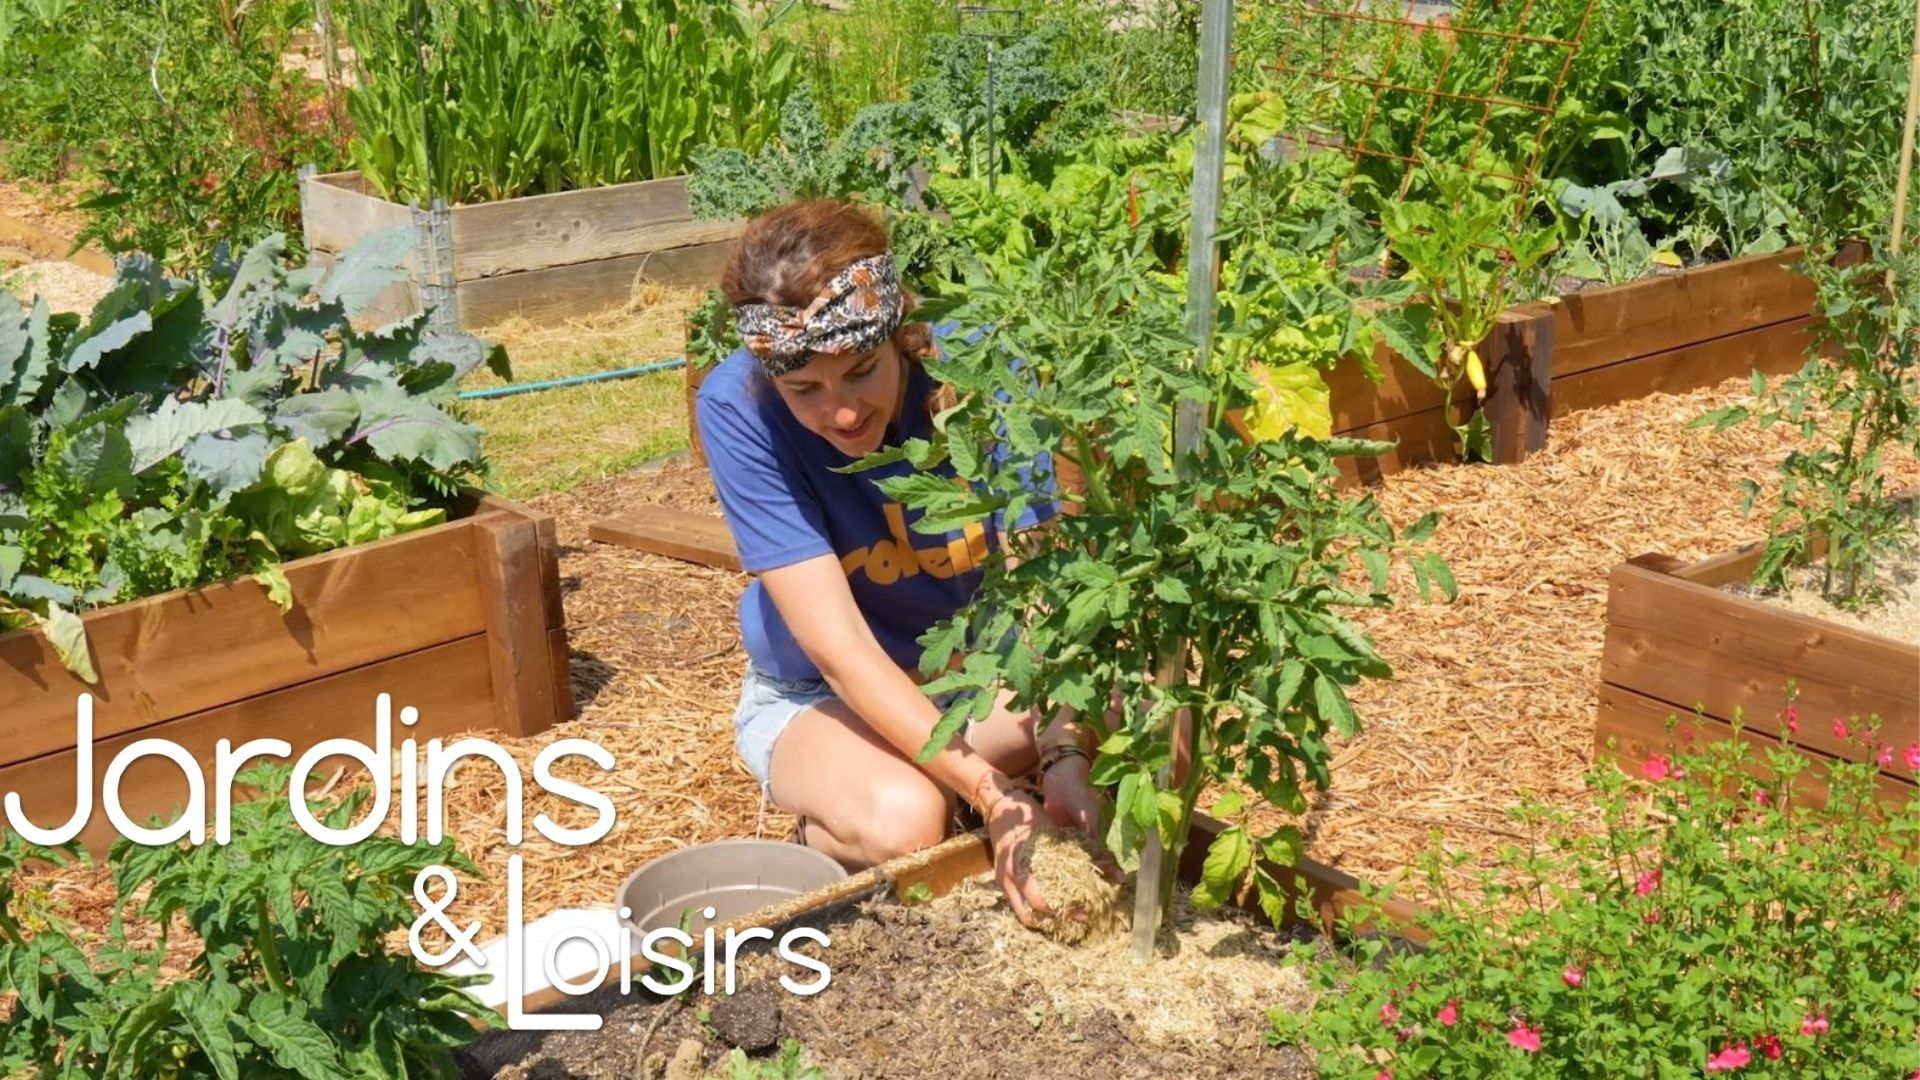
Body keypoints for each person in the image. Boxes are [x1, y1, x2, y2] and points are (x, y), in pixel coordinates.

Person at [694, 199, 1103, 927]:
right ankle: (853, 812)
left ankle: (949, 776)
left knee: (1153, 711)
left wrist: (1065, 745)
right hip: (825, 697)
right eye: (805, 391)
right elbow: (841, 650)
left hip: (979, 677)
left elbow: (1044, 586)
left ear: (897, 337)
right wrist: (993, 795)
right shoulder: (738, 406)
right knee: (909, 820)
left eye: (861, 373)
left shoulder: (981, 364)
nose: (843, 412)